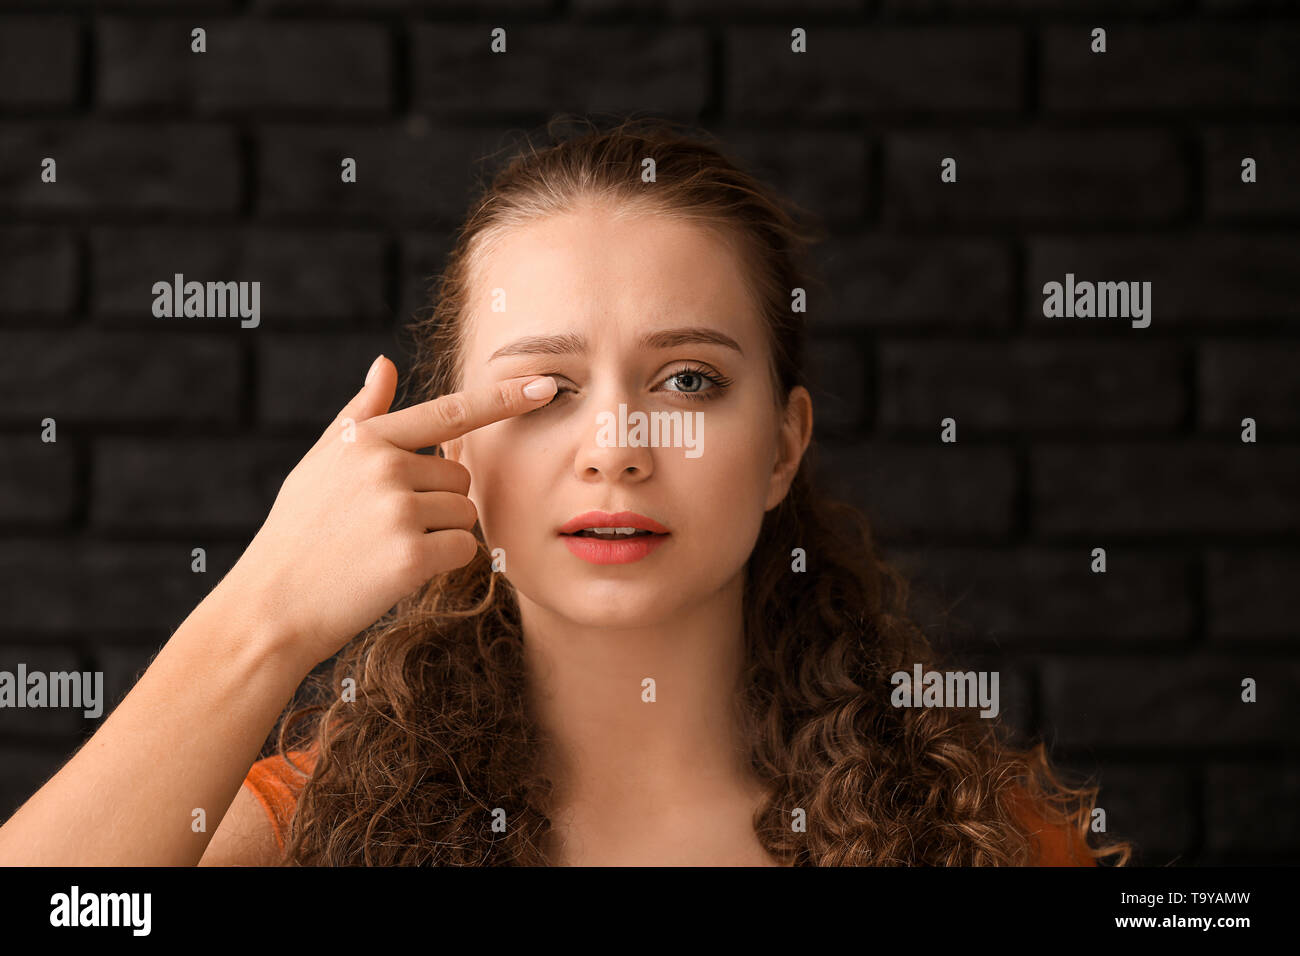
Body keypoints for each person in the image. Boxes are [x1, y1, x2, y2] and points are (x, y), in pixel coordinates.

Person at [0, 115, 1131, 866]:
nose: (616, 447)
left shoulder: (985, 839)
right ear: (460, 446)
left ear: (783, 446)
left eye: (688, 379)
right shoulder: (305, 829)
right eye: (540, 389)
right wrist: (263, 614)